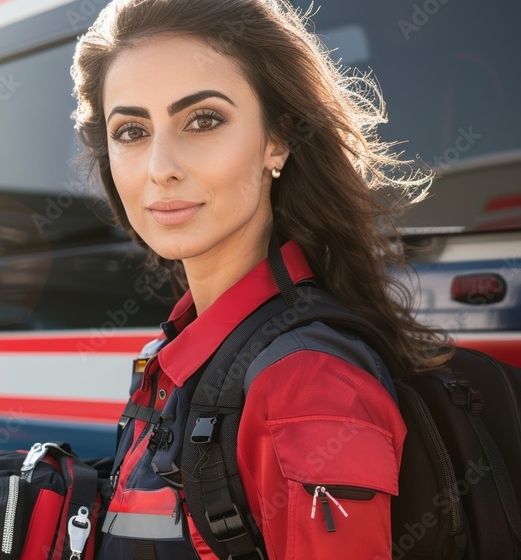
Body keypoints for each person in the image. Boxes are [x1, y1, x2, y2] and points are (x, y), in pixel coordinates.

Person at [69, 0, 451, 558]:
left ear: (278, 140)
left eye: (202, 120)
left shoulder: (308, 382)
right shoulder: (176, 352)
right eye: (131, 130)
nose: (160, 166)